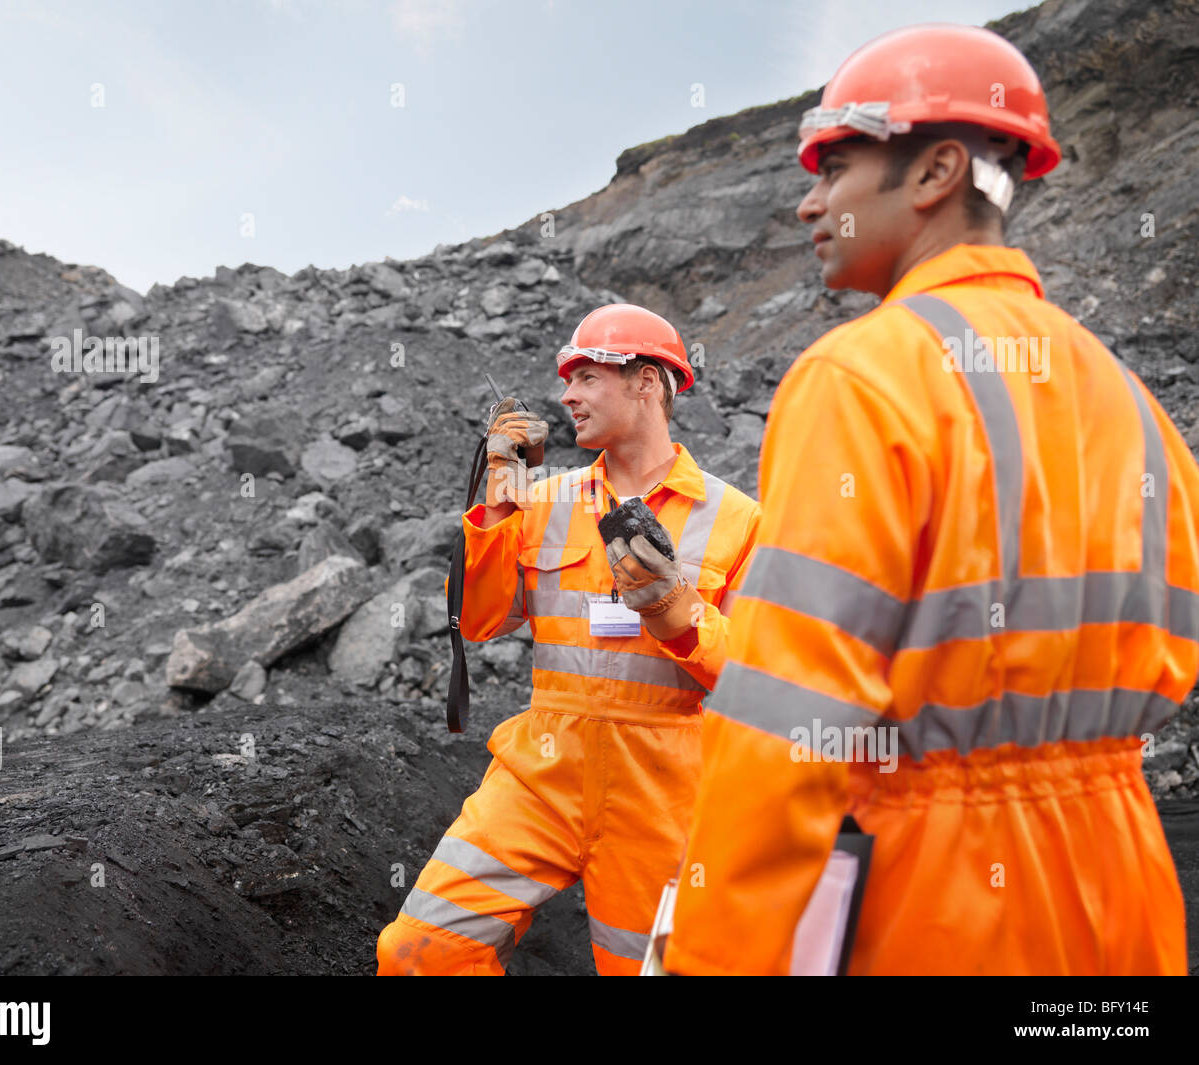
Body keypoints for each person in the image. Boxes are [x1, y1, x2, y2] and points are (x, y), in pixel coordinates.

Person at [660, 23, 1199, 975]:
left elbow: (788, 728)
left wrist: (713, 959)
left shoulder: (865, 378)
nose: (807, 202)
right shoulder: (1130, 399)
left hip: (942, 904)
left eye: (835, 166)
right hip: (1127, 893)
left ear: (938, 170)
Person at [377, 303, 762, 974]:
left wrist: (674, 609)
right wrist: (497, 509)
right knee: (422, 951)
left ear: (647, 382)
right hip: (543, 772)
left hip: (667, 792)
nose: (566, 395)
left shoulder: (737, 520)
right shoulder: (543, 500)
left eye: (586, 376)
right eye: (566, 379)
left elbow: (762, 680)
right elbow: (477, 621)